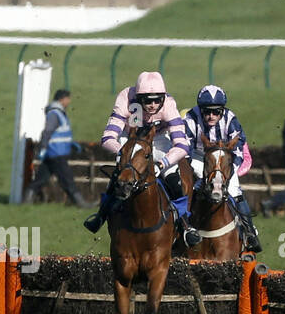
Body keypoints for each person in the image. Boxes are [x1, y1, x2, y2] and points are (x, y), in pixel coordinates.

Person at [84, 71, 201, 247]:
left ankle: (185, 225)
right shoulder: (126, 97)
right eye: (148, 100)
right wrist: (123, 154)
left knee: (174, 179)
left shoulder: (169, 104)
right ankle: (101, 216)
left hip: (159, 141)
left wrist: (163, 163)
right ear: (138, 98)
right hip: (130, 139)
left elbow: (182, 145)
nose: (153, 105)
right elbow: (108, 137)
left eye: (157, 100)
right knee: (119, 176)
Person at [183, 83, 262, 253]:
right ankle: (181, 230)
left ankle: (249, 232)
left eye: (216, 112)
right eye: (206, 111)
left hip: (225, 159)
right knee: (190, 189)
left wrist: (229, 170)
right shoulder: (190, 118)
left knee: (235, 191)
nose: (211, 116)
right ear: (200, 109)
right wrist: (196, 171)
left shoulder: (231, 119)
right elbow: (184, 148)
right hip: (199, 158)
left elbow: (239, 147)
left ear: (222, 110)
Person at [25, 88, 85, 206]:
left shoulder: (58, 113)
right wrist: (43, 148)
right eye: (68, 99)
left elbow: (59, 133)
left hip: (55, 152)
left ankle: (25, 202)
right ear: (62, 99)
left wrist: (71, 144)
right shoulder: (54, 113)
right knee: (68, 180)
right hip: (56, 153)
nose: (69, 101)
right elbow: (47, 132)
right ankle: (81, 204)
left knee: (40, 179)